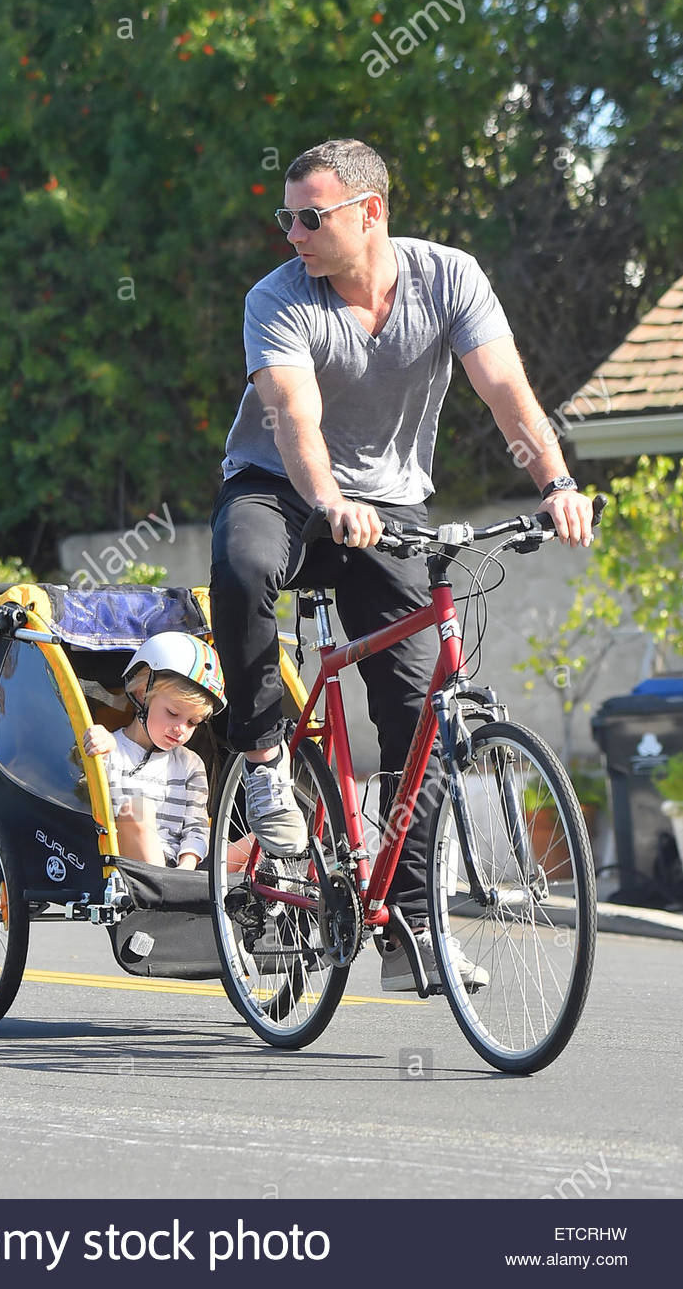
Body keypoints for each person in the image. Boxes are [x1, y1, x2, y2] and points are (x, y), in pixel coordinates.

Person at [209, 137, 596, 991]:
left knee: (420, 712)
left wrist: (556, 480)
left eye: (310, 217)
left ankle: (412, 926)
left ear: (369, 211)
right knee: (240, 570)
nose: (293, 235)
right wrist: (327, 500)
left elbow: (504, 389)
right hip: (279, 486)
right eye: (287, 218)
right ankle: (268, 759)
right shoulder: (278, 299)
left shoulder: (447, 277)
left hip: (386, 505)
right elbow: (293, 420)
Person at [83, 632, 225, 870]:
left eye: (193, 722)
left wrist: (184, 871)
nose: (181, 729)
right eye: (172, 713)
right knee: (137, 808)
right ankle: (162, 888)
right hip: (133, 868)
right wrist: (97, 751)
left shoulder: (191, 764)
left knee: (261, 838)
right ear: (142, 695)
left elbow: (196, 828)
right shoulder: (111, 749)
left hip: (184, 871)